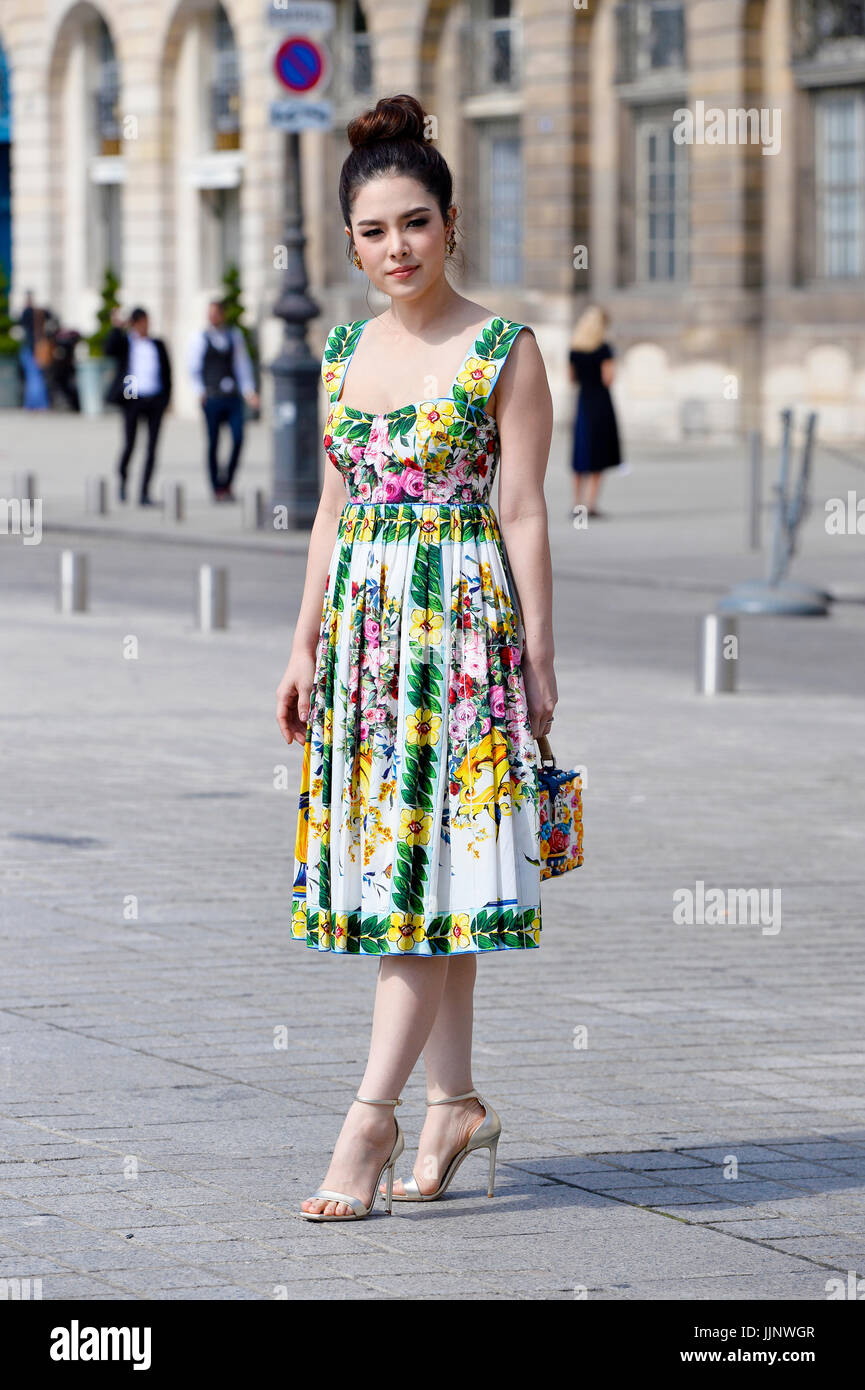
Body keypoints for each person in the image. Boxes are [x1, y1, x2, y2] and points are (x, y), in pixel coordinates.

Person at [275, 93, 557, 1222]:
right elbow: (331, 515)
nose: (398, 248)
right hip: (361, 641)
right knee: (430, 874)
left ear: (451, 223)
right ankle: (452, 1101)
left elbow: (526, 512)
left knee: (420, 884)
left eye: (416, 223)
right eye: (375, 230)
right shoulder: (341, 351)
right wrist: (300, 644)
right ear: (350, 241)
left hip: (464, 633)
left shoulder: (505, 348)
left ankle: (368, 1119)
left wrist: (538, 661)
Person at [188, 298, 259, 502]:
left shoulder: (233, 336)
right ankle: (216, 486)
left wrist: (249, 391)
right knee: (213, 442)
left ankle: (228, 481)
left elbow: (241, 364)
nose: (212, 317)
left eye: (216, 313)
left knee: (238, 438)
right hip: (212, 396)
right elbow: (193, 367)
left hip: (232, 397)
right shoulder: (199, 337)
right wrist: (199, 391)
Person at [104, 307, 172, 506]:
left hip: (154, 398)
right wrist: (117, 327)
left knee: (152, 447)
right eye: (142, 322)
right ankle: (124, 482)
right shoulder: (127, 342)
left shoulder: (157, 344)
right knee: (130, 444)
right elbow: (109, 349)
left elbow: (167, 373)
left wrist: (165, 399)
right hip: (132, 396)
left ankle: (144, 491)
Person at [568, 304, 621, 521]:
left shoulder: (574, 349)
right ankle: (591, 504)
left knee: (581, 451)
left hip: (583, 401)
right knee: (598, 453)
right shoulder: (603, 348)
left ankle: (576, 503)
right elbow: (608, 378)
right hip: (600, 402)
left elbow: (571, 379)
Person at [18, 291, 50, 410]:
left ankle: (34, 403)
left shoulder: (27, 312)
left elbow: (20, 324)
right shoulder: (42, 312)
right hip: (40, 345)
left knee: (33, 377)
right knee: (38, 376)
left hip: (31, 347)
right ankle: (41, 403)